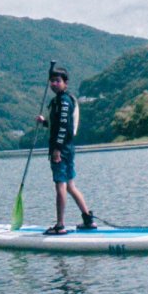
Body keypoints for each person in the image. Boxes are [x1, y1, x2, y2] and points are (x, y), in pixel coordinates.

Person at [36, 66, 95, 234]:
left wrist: (57, 149)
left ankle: (60, 225)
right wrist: (44, 122)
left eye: (57, 81)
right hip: (67, 148)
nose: (54, 84)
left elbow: (63, 127)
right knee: (70, 185)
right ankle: (88, 219)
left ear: (65, 83)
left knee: (60, 185)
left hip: (61, 149)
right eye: (52, 81)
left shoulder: (63, 101)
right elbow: (57, 125)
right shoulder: (60, 101)